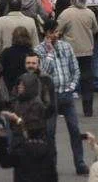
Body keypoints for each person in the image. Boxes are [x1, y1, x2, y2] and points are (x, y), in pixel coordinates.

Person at [36, 20, 88, 175]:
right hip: (50, 97)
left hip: (67, 94)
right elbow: (44, 72)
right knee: (50, 133)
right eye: (52, 32)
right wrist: (50, 52)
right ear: (46, 33)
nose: (55, 35)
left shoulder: (66, 46)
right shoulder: (38, 50)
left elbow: (75, 68)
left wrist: (72, 86)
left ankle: (80, 163)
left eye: (57, 32)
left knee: (74, 129)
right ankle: (51, 166)